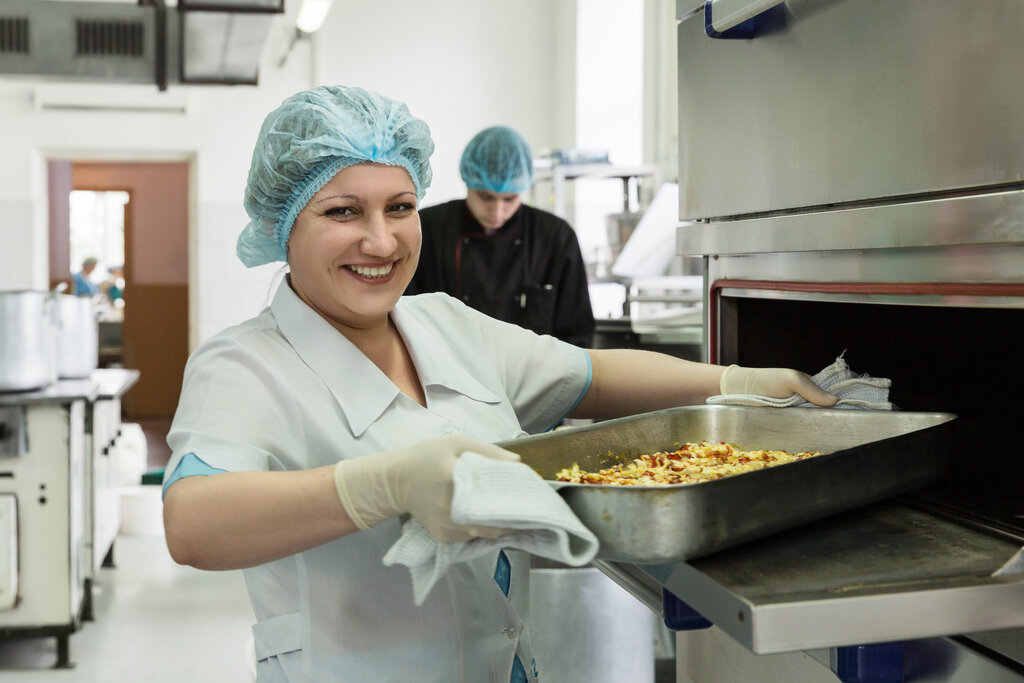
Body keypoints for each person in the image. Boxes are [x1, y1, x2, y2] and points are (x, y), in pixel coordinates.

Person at [160, 84, 837, 683]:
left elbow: (594, 373)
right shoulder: (245, 365)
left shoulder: (445, 323)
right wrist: (380, 486)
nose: (382, 241)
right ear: (283, 226)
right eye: (342, 212)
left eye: (400, 207)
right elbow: (192, 523)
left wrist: (737, 381)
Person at [406, 126, 595, 347]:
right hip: (445, 366)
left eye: (509, 199)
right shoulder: (428, 228)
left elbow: (576, 334)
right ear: (468, 182)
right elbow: (407, 318)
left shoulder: (555, 237)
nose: (497, 212)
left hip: (534, 369)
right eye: (486, 197)